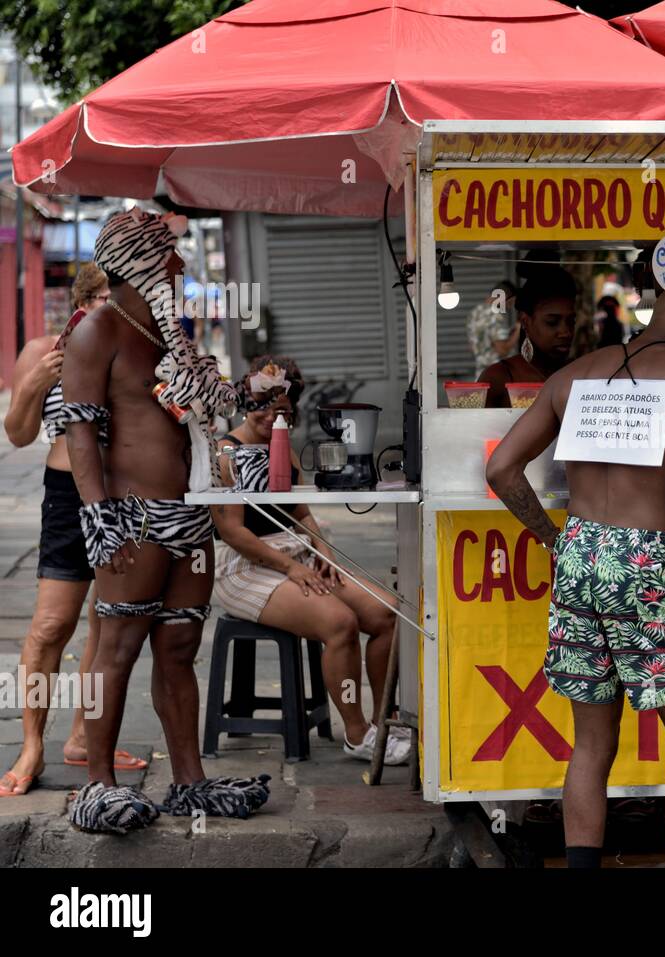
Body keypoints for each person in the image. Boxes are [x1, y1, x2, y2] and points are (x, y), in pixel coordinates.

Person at [486, 279, 665, 869]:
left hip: (579, 551)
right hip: (649, 559)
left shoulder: (571, 376)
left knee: (591, 744)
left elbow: (500, 468)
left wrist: (556, 541)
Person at [61, 209, 270, 834]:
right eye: (169, 255)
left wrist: (251, 390)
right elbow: (78, 433)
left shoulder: (164, 329)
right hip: (133, 516)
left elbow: (198, 410)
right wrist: (99, 517)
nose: (179, 264)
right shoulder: (97, 329)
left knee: (179, 647)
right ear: (140, 263)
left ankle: (189, 782)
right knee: (117, 647)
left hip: (190, 513)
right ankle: (98, 784)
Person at [209, 357, 408, 765]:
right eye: (262, 405)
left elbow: (302, 514)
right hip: (243, 566)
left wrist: (324, 555)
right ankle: (355, 734)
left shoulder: (284, 448)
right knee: (339, 622)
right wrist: (292, 569)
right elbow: (233, 531)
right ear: (246, 402)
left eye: (280, 409)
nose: (270, 416)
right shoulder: (226, 454)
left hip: (296, 552)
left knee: (386, 614)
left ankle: (382, 722)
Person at [0, 265, 149, 797]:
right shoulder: (45, 349)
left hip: (125, 497)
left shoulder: (135, 351)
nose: (115, 312)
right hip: (67, 497)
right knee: (48, 627)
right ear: (85, 301)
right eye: (106, 301)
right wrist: (34, 386)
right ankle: (32, 745)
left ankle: (83, 737)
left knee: (106, 625)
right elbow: (17, 435)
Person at [478, 268, 577, 408]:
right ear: (525, 322)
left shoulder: (583, 374)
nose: (566, 332)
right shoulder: (498, 378)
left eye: (571, 322)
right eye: (552, 322)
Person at [468, 280, 519, 378]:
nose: (509, 307)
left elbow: (473, 346)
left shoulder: (474, 313)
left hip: (481, 375)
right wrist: (518, 330)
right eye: (510, 302)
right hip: (497, 376)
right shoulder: (495, 315)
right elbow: (502, 350)